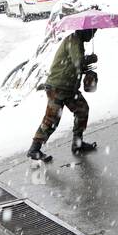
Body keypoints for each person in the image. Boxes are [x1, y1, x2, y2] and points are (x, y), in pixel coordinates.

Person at [27, 28, 98, 162]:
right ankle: (34, 149)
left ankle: (77, 144)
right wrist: (89, 59)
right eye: (92, 32)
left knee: (82, 110)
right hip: (57, 87)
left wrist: (85, 68)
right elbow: (77, 61)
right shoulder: (73, 40)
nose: (93, 35)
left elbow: (74, 65)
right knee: (52, 119)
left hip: (69, 88)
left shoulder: (78, 41)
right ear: (85, 30)